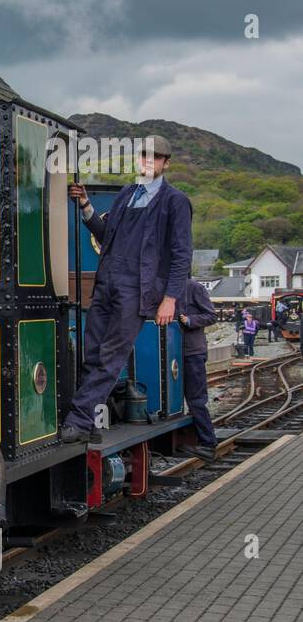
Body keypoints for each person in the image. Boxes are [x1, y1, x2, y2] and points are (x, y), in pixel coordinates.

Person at [60, 135, 193, 443]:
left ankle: (79, 420)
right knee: (91, 354)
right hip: (107, 283)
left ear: (165, 163)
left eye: (156, 157)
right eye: (145, 155)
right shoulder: (125, 195)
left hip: (137, 290)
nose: (149, 161)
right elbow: (107, 237)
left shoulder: (176, 201)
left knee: (110, 357)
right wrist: (86, 206)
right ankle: (92, 421)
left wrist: (170, 299)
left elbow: (182, 254)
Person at [178, 279, 218, 462]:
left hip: (192, 351)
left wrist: (189, 320)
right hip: (175, 350)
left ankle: (208, 443)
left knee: (196, 399)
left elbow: (211, 315)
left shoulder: (194, 288)